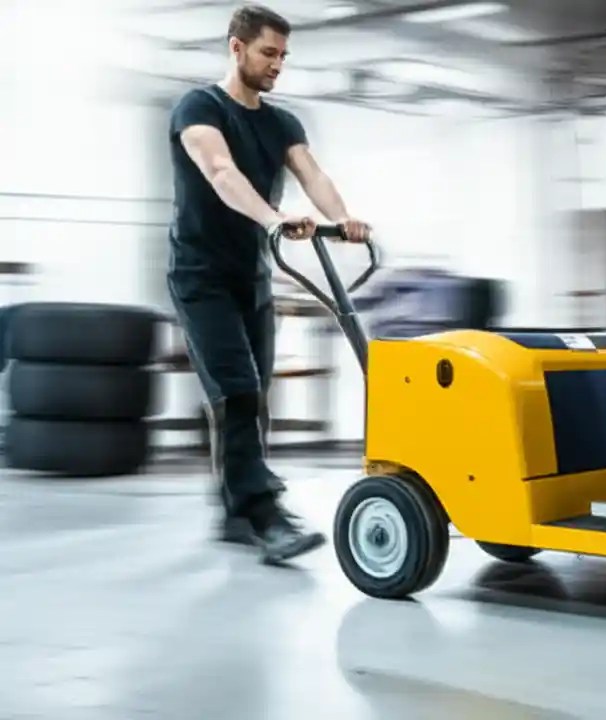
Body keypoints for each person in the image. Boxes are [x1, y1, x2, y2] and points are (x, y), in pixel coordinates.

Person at [166, 3, 370, 564]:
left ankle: (233, 514)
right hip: (199, 275)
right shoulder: (198, 108)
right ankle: (264, 515)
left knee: (256, 397)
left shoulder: (281, 122)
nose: (278, 64)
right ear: (237, 48)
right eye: (268, 53)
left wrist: (345, 218)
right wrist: (275, 218)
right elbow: (221, 173)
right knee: (236, 389)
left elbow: (313, 174)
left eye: (283, 55)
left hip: (252, 275)